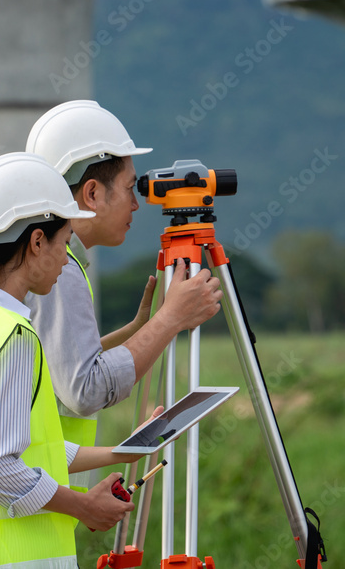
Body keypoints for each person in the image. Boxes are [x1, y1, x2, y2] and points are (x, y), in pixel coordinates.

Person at [0, 152, 161, 569]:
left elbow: (22, 445)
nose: (67, 260)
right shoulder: (13, 338)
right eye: (65, 243)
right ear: (36, 242)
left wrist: (117, 454)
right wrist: (84, 506)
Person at [24, 100, 223, 490]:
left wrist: (138, 332)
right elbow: (83, 391)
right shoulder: (58, 268)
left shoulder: (42, 259)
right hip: (21, 525)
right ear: (93, 193)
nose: (137, 203)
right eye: (131, 188)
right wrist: (170, 320)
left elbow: (53, 375)